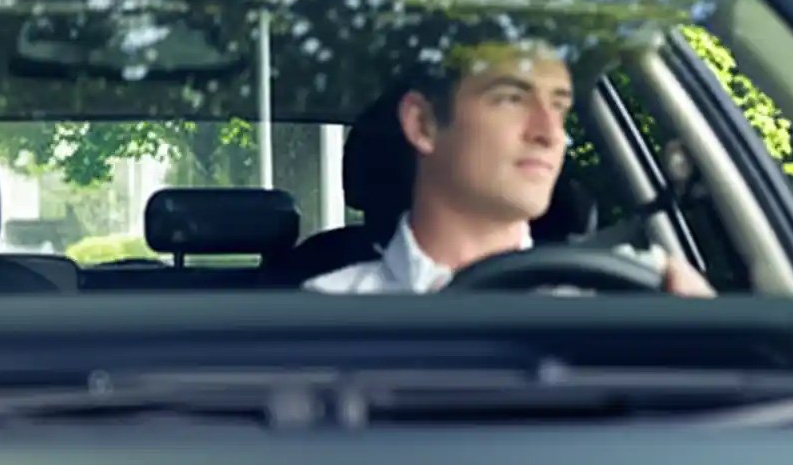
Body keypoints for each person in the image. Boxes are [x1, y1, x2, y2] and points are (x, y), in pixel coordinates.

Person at [305, 37, 715, 298]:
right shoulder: (321, 314)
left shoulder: (624, 306)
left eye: (560, 108)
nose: (550, 133)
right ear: (423, 123)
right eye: (511, 99)